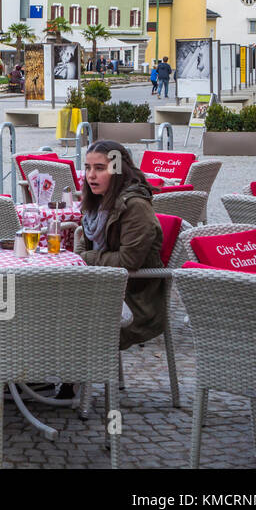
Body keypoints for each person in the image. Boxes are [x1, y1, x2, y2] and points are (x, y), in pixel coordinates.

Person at [78, 140, 167, 352]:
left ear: (118, 170)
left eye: (100, 168)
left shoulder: (135, 206)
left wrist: (87, 258)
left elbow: (128, 261)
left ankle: (48, 380)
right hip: (103, 288)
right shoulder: (98, 204)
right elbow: (81, 248)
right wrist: (83, 257)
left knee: (62, 318)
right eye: (88, 168)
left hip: (135, 301)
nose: (91, 175)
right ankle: (36, 379)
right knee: (43, 307)